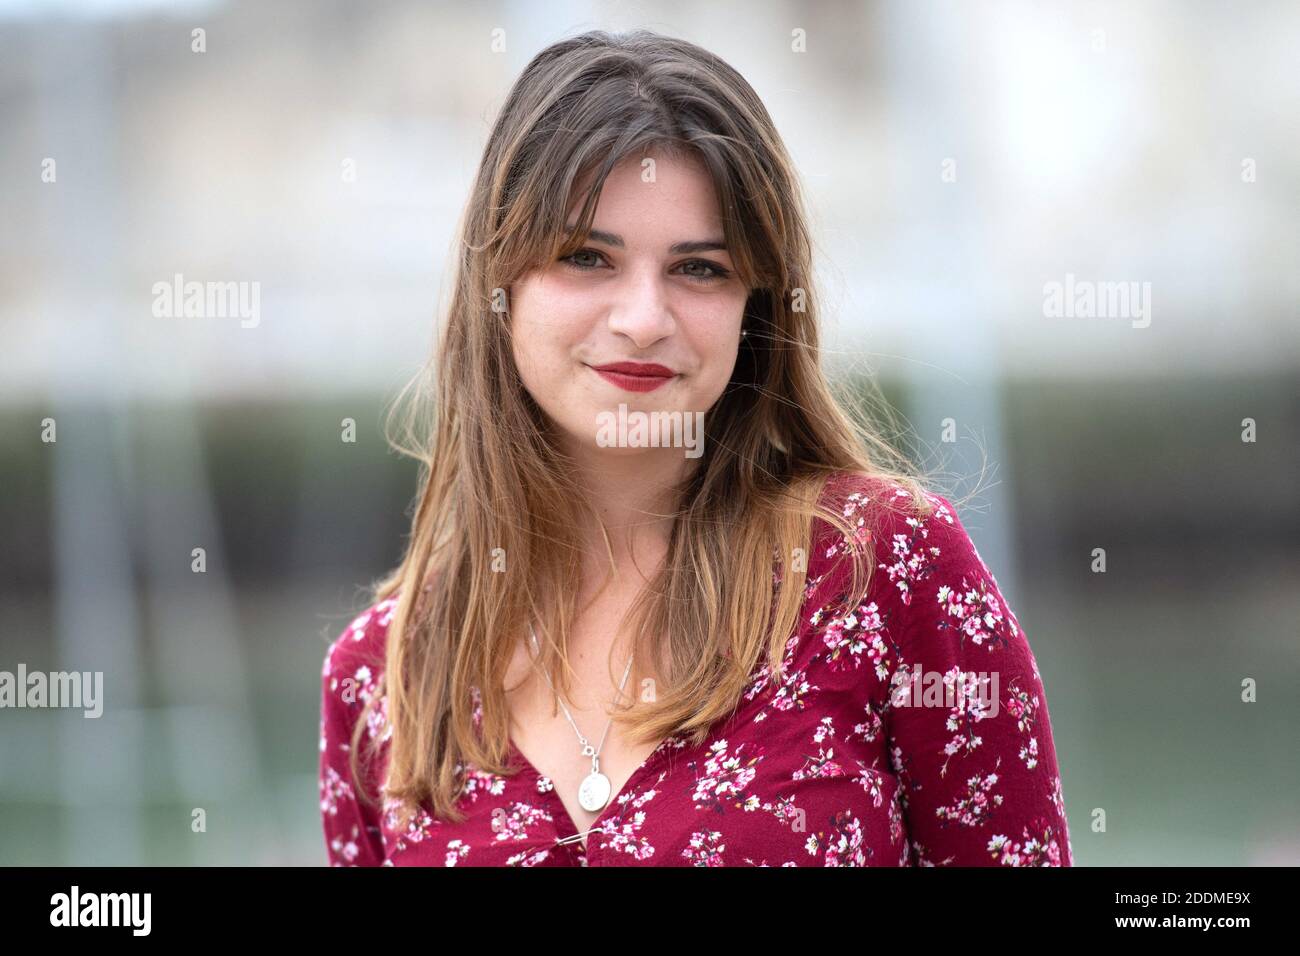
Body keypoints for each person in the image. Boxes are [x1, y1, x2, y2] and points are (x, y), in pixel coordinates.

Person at [318, 28, 1072, 867]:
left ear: (757, 304)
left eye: (700, 270)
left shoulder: (883, 571)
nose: (643, 318)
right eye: (586, 257)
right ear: (498, 284)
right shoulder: (383, 676)